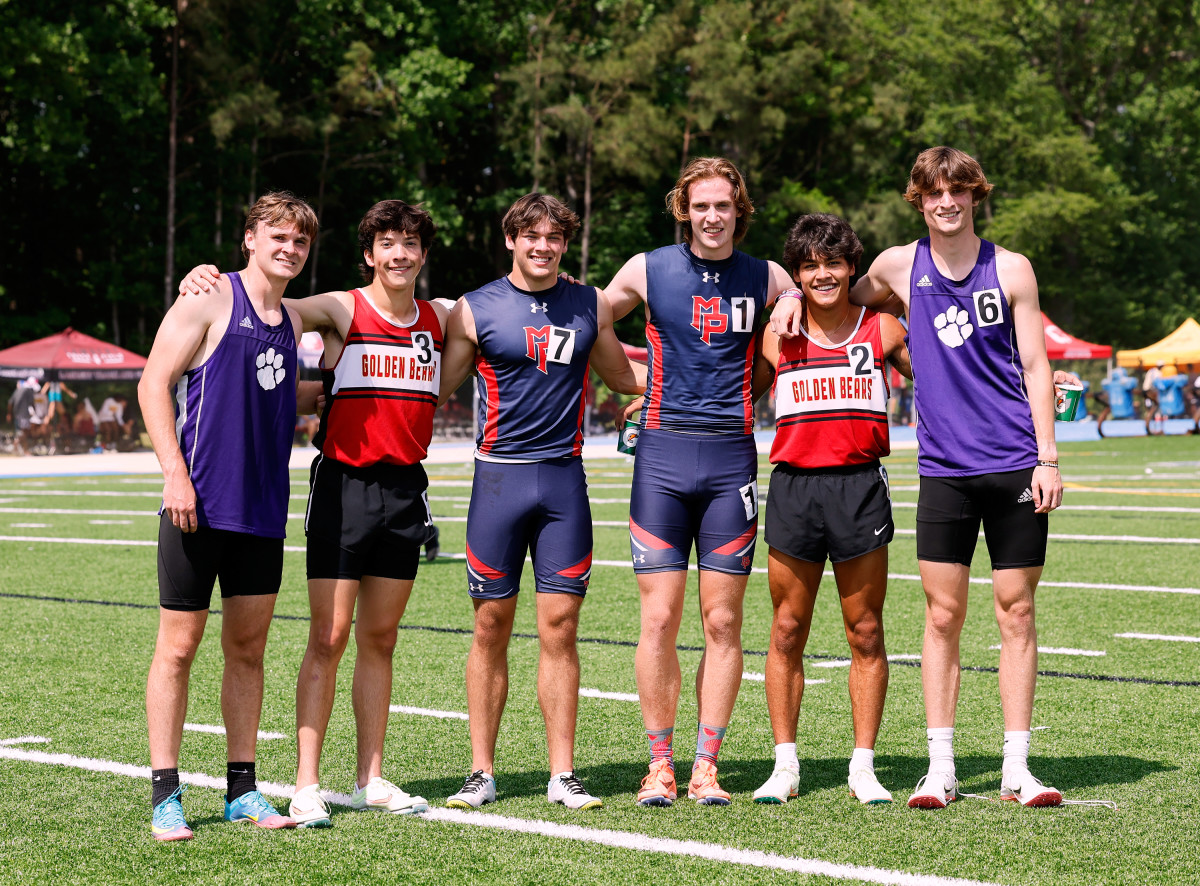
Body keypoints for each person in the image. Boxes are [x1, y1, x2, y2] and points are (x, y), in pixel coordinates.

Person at [772, 146, 1066, 808]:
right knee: (942, 615)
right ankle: (941, 768)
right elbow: (835, 292)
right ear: (918, 199)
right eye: (934, 191)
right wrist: (790, 293)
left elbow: (1037, 366)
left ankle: (1018, 768)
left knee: (1017, 611)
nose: (947, 201)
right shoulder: (898, 266)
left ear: (975, 195)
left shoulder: (1013, 269)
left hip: (1016, 463)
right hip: (944, 471)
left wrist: (1048, 457)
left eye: (959, 190)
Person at [180, 200, 449, 828]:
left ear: (424, 255)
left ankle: (370, 779)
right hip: (342, 487)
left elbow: (513, 297)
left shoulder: (442, 318)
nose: (400, 254)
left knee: (380, 638)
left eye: (410, 244)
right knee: (327, 637)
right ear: (369, 253)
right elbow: (261, 303)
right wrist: (208, 276)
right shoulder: (338, 308)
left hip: (406, 490)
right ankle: (306, 783)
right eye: (388, 243)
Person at [437, 193, 643, 811]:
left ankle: (562, 774)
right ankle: (481, 772)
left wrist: (679, 383)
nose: (543, 246)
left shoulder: (590, 302)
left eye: (554, 237)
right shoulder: (473, 310)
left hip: (562, 484)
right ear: (511, 240)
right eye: (532, 236)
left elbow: (622, 376)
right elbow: (437, 386)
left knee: (561, 629)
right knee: (490, 626)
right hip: (497, 482)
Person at [602, 157, 794, 806]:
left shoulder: (766, 275)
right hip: (661, 460)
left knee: (722, 621)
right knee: (658, 618)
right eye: (701, 206)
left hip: (731, 463)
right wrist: (626, 381)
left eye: (724, 205)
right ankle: (659, 765)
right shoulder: (646, 268)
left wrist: (792, 305)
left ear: (740, 208)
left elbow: (796, 298)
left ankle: (706, 766)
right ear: (684, 209)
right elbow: (590, 318)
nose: (713, 217)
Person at [139, 191, 319, 841]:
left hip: (263, 513)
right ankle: (167, 795)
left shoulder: (295, 318)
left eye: (299, 241)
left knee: (248, 650)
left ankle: (242, 790)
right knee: (178, 649)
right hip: (197, 507)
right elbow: (153, 381)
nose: (288, 248)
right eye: (277, 236)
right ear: (248, 238)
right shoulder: (208, 297)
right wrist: (175, 475)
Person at [750, 214, 911, 806]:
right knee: (787, 629)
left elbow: (947, 379)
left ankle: (863, 766)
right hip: (794, 488)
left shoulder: (884, 328)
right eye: (810, 266)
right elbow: (736, 393)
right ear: (797, 274)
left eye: (834, 263)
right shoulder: (778, 334)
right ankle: (784, 764)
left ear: (851, 268)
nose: (823, 274)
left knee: (865, 631)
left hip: (859, 488)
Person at [5, 377, 38, 455]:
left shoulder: (18, 390)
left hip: (17, 415)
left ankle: (16, 448)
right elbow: (31, 403)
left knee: (21, 433)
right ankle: (22, 449)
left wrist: (9, 414)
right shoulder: (28, 390)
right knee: (24, 433)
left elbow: (10, 403)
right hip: (24, 415)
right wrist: (35, 411)